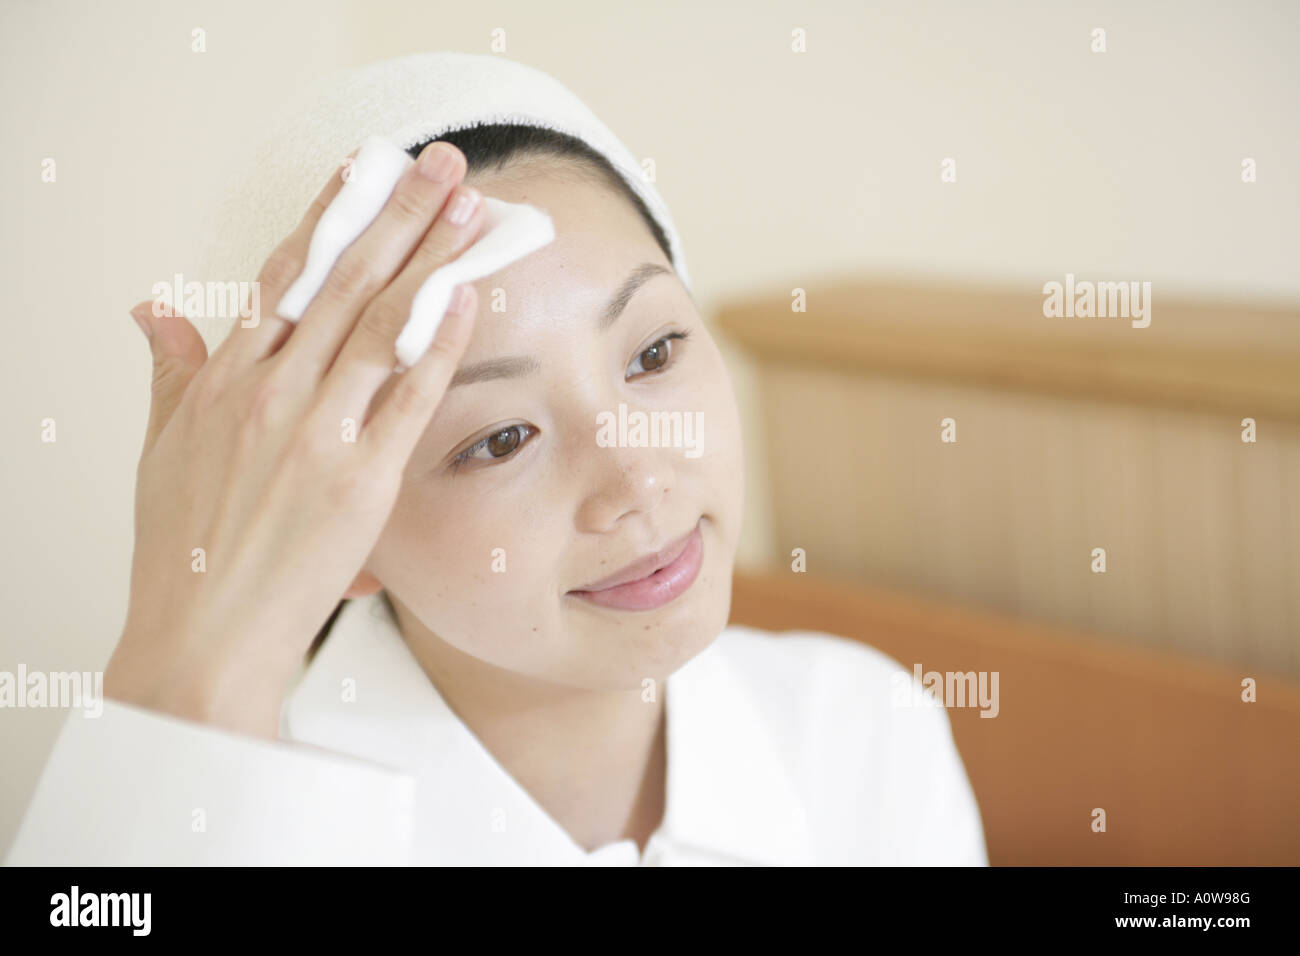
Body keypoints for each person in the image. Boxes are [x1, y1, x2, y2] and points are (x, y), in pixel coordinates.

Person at [4, 53, 988, 866]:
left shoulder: (862, 729)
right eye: (498, 438)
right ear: (340, 527)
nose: (638, 477)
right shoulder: (226, 820)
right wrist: (182, 682)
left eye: (653, 352)